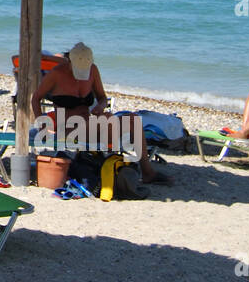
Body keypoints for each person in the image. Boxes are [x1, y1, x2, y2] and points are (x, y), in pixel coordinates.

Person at [33, 42, 169, 185]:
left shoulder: (92, 71)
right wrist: (42, 124)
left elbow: (102, 97)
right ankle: (121, 161)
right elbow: (35, 98)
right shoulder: (57, 74)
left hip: (90, 126)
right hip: (68, 130)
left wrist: (100, 106)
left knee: (133, 119)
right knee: (108, 120)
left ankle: (148, 172)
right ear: (70, 61)